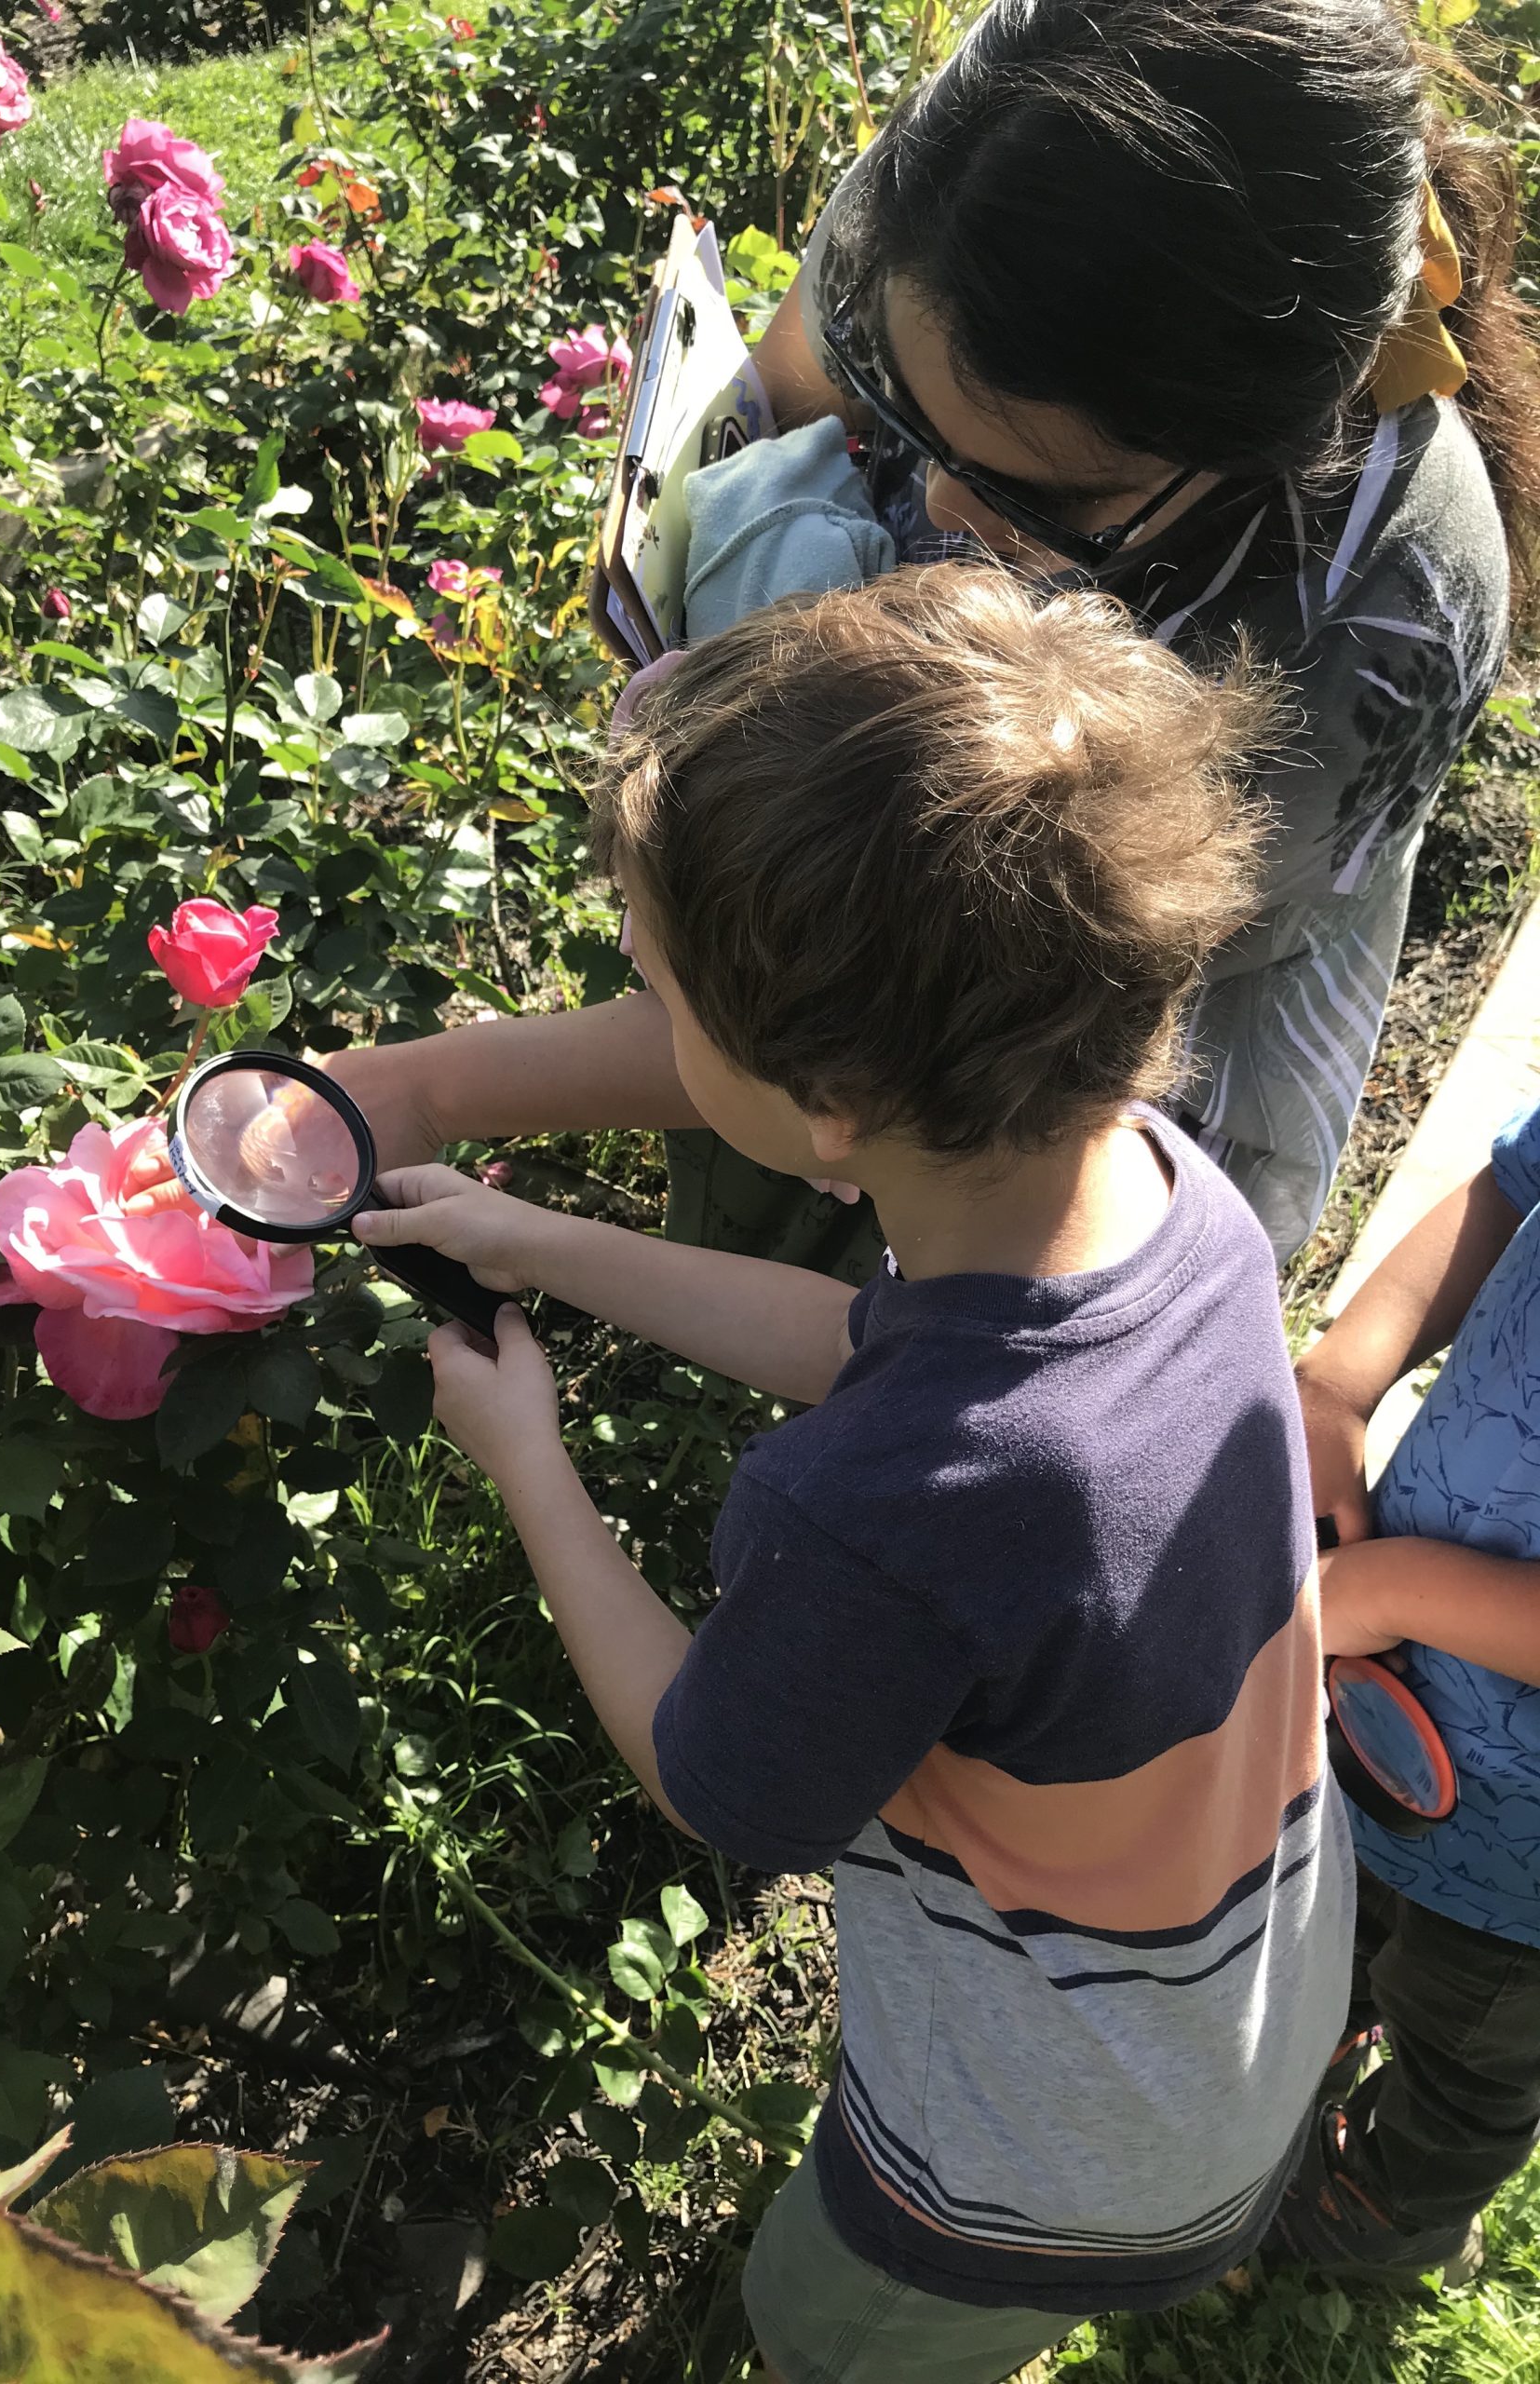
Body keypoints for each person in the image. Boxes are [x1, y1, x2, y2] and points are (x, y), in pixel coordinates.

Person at [352, 566, 1354, 2383]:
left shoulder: (875, 1514)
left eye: (657, 988)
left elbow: (717, 1773)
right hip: (1233, 2009)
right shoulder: (1159, 1201)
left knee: (813, 2331)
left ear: (822, 1102)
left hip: (1022, 2169)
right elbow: (883, 1344)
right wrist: (540, 1240)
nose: (642, 1005)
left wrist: (530, 1458)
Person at [130, 0, 1535, 1277]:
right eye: (912, 420)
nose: (928, 501)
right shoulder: (977, 194)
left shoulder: (1370, 620)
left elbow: (915, 1016)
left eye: (1041, 499)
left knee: (935, 1323)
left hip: (1054, 1100)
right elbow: (793, 380)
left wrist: (434, 1086)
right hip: (878, 967)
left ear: (1260, 439)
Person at [1277, 1106, 1540, 2282]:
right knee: (1332, 1923)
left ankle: (1383, 2221)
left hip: (1519, 1880)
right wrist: (1340, 1378)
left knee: (1466, 2068)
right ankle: (1303, 2050)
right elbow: (1504, 1189)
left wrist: (1394, 1587)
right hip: (1385, 1706)